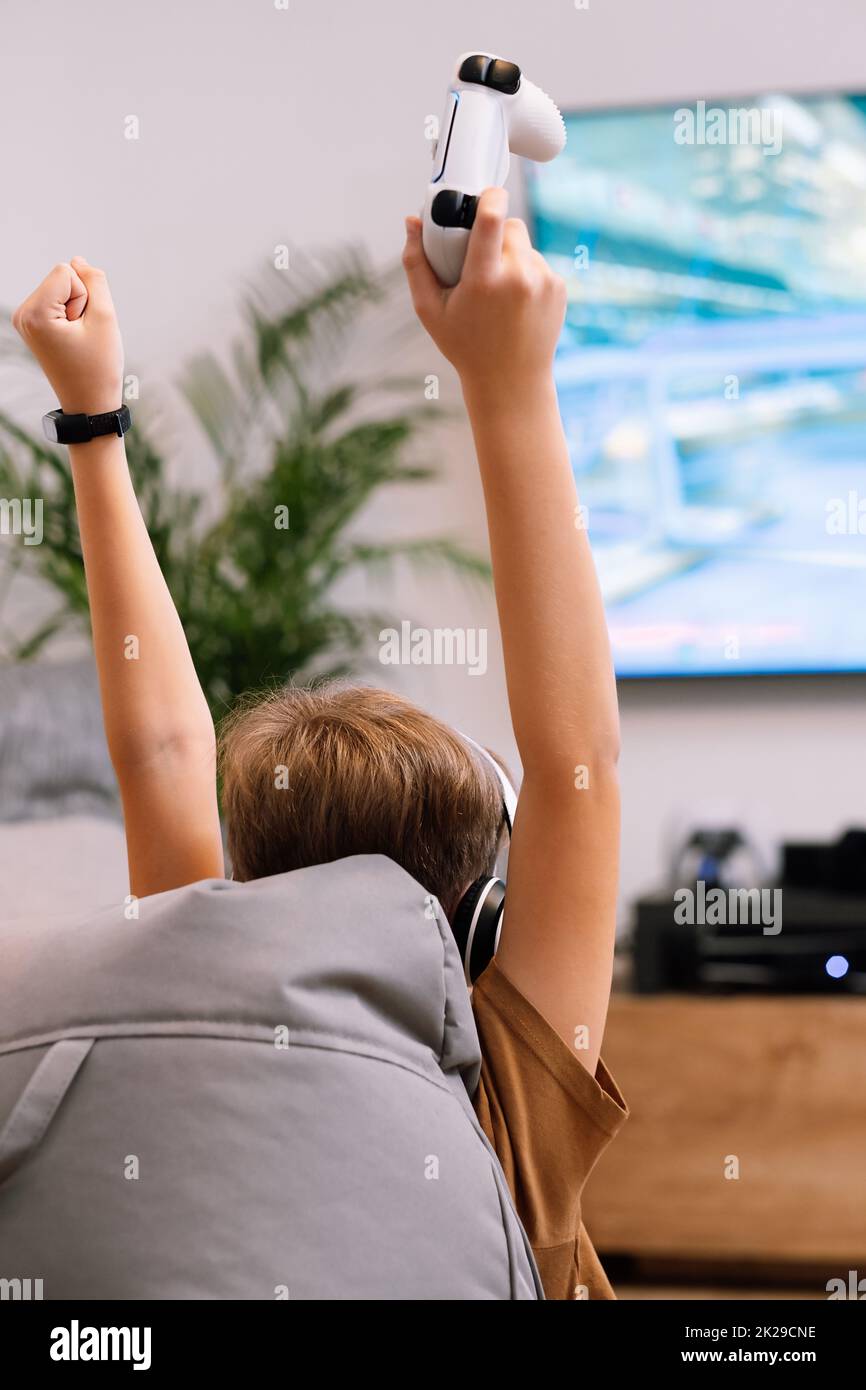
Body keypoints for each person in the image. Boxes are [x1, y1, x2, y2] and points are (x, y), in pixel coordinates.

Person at [12, 187, 627, 1299]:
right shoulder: (499, 1115)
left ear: (239, 891)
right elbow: (576, 754)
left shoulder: (197, 1040)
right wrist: (510, 380)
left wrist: (92, 418)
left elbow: (159, 755)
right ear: (483, 930)